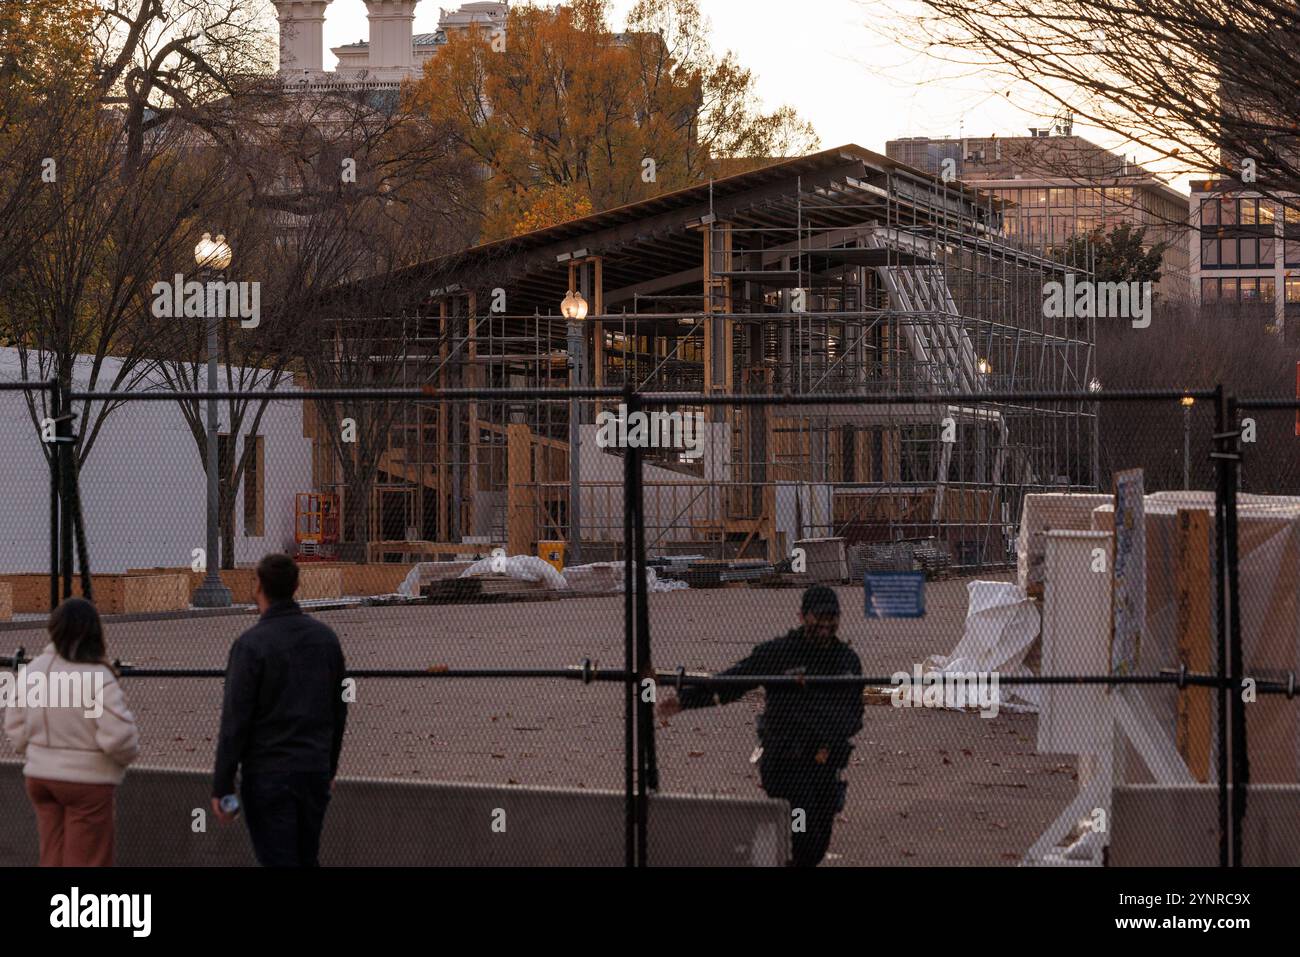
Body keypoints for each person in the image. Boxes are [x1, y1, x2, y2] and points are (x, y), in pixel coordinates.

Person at [657, 584, 863, 867]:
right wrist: (686, 700)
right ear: (802, 617)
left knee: (817, 844)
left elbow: (855, 712)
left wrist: (831, 734)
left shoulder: (847, 661)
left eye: (832, 616)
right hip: (788, 763)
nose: (826, 624)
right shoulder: (779, 654)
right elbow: (734, 682)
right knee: (802, 834)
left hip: (825, 765)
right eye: (819, 617)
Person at [211, 553, 348, 866]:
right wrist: (329, 766)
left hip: (268, 773)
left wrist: (223, 783)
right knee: (305, 857)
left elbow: (236, 720)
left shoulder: (250, 645)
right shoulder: (325, 641)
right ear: (296, 586)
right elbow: (338, 712)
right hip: (313, 768)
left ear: (258, 586)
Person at [4, 597, 139, 866]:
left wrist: (34, 752)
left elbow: (15, 725)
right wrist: (118, 759)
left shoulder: (33, 672)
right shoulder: (96, 676)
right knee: (88, 858)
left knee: (52, 853)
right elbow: (118, 736)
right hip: (87, 779)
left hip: (40, 775)